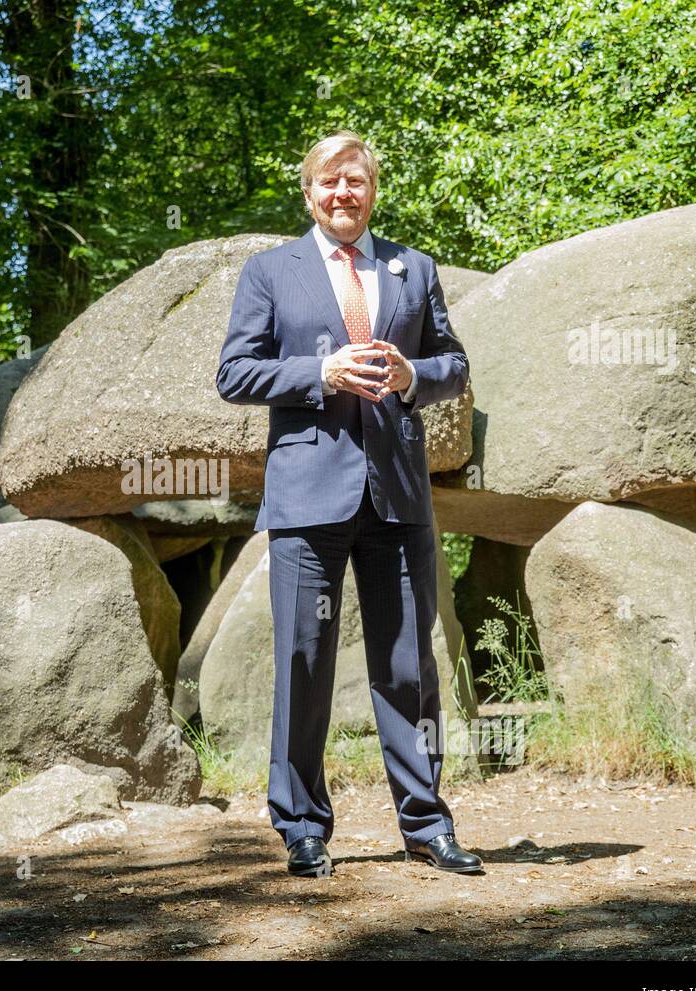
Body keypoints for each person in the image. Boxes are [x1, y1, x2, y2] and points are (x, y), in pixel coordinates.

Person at [215, 129, 482, 876]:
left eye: (356, 182)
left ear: (372, 191)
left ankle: (426, 824)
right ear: (309, 193)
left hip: (397, 495)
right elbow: (234, 372)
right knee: (304, 664)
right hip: (306, 498)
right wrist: (320, 371)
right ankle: (301, 824)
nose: (344, 194)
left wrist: (410, 375)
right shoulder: (272, 271)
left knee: (409, 667)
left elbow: (454, 366)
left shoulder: (414, 268)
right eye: (330, 183)